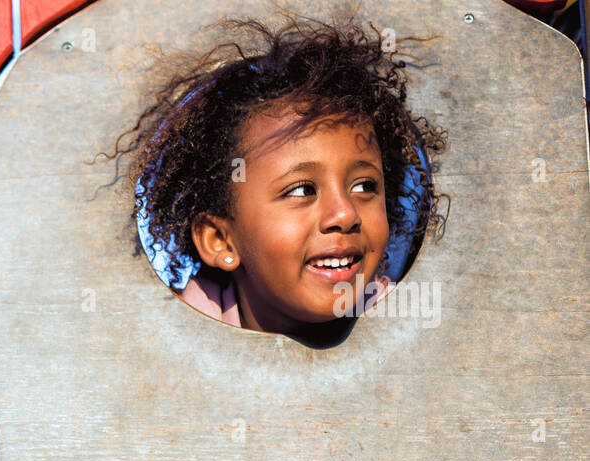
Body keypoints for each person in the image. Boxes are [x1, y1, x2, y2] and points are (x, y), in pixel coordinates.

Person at [108, 12, 450, 349]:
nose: (345, 214)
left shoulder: (407, 317)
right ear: (221, 240)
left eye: (364, 186)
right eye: (302, 190)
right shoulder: (174, 336)